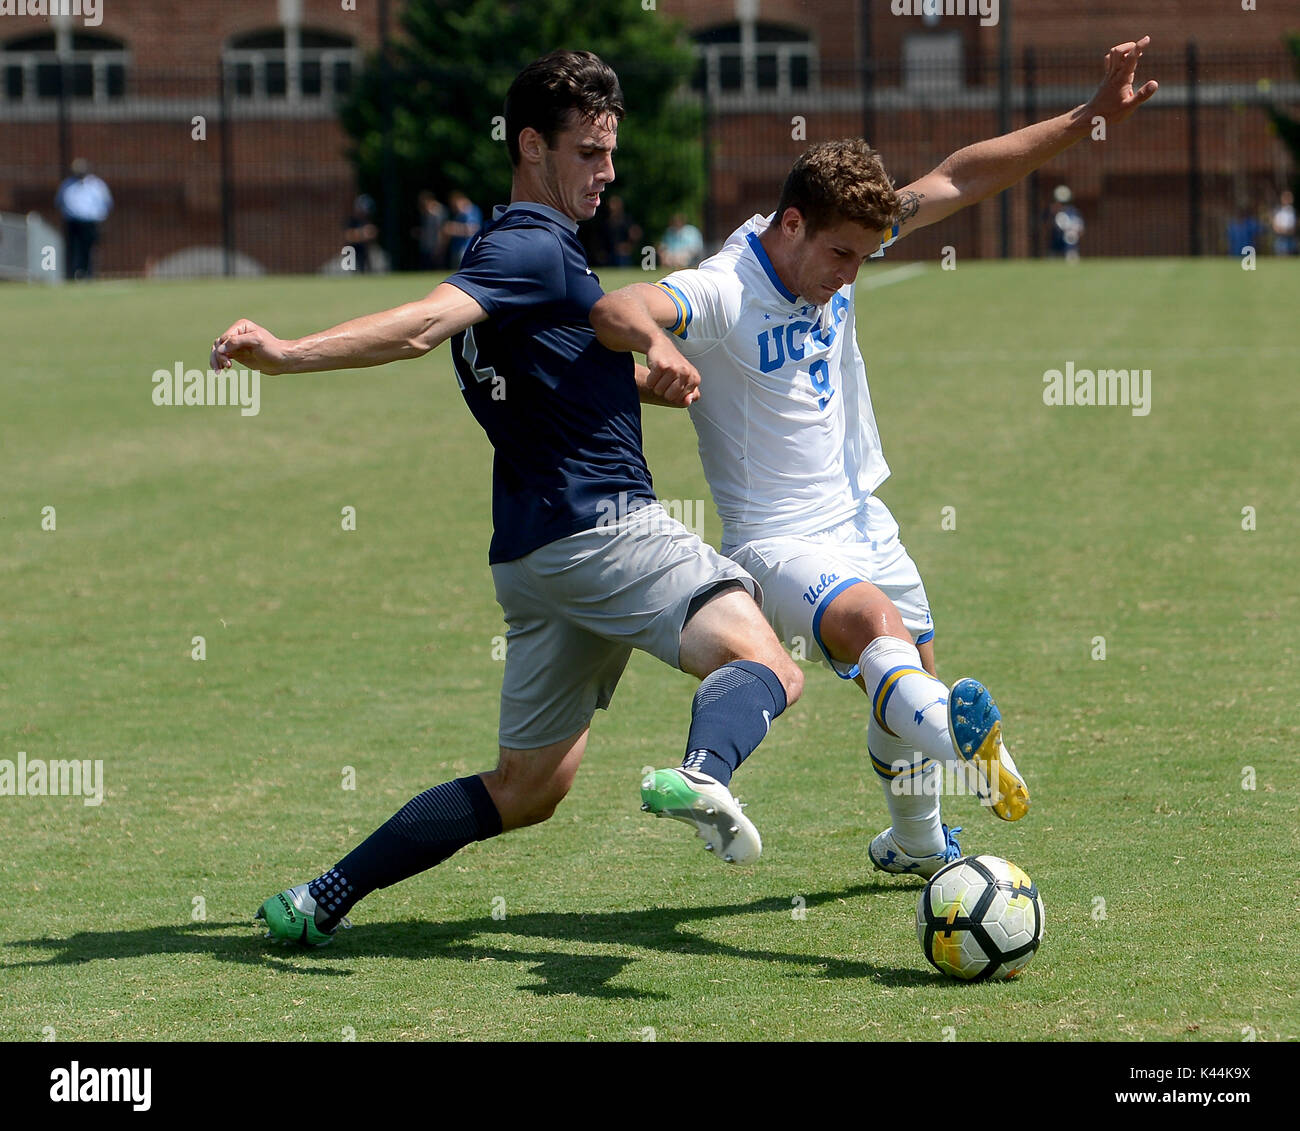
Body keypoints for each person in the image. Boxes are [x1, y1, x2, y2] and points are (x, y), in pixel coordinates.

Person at [209, 49, 803, 947]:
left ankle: (321, 895)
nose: (608, 173)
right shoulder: (528, 247)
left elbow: (538, 376)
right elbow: (417, 329)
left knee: (528, 788)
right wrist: (286, 353)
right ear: (531, 146)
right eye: (589, 152)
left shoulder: (520, 252)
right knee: (762, 659)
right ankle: (704, 770)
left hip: (533, 558)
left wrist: (635, 386)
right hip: (603, 528)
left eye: (611, 152)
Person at [592, 35, 1159, 877]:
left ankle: (916, 839)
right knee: (875, 633)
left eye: (867, 255)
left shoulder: (843, 237)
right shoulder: (722, 289)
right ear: (792, 224)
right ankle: (973, 754)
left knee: (909, 681)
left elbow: (962, 177)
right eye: (842, 256)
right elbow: (619, 305)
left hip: (864, 517)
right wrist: (655, 345)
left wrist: (1088, 116)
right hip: (779, 538)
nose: (853, 275)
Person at [54, 158, 113, 280]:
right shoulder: (67, 184)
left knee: (89, 249)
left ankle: (89, 274)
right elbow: (59, 202)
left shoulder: (97, 185)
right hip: (73, 222)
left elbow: (107, 203)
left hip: (90, 223)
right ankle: (72, 274)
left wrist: (101, 217)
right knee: (73, 249)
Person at [442, 190, 482, 269]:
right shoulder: (459, 214)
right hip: (457, 247)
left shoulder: (470, 212)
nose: (454, 207)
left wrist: (453, 229)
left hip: (466, 247)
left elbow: (473, 229)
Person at [1047, 184, 1085, 261]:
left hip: (1069, 247)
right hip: (1055, 245)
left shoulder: (1072, 212)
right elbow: (1045, 226)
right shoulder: (1052, 212)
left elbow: (1080, 229)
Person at [343, 194, 380, 273]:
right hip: (352, 252)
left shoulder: (367, 221)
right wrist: (363, 233)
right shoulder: (351, 221)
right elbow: (348, 236)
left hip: (365, 252)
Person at [414, 189, 447, 270]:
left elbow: (442, 229)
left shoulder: (438, 212)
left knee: (437, 266)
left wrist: (440, 245)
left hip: (436, 244)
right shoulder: (426, 213)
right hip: (427, 244)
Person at [1271, 190, 1296, 257]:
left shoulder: (1292, 210)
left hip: (1290, 237)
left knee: (1290, 256)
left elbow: (1294, 225)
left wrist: (1289, 231)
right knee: (1280, 256)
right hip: (1280, 237)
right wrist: (1281, 230)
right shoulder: (1278, 210)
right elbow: (1274, 224)